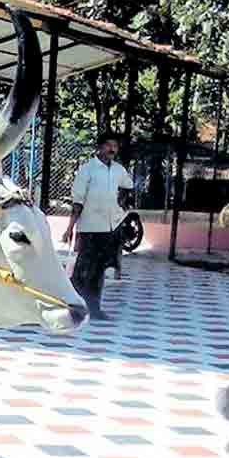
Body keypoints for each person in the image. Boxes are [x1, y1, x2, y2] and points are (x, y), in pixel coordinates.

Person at [62, 135, 133, 320]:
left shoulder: (119, 170)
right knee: (82, 270)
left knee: (99, 270)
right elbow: (77, 201)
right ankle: (74, 307)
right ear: (100, 147)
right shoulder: (87, 170)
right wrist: (70, 227)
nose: (112, 149)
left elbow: (128, 189)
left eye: (115, 146)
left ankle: (94, 308)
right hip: (90, 226)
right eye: (108, 145)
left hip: (111, 227)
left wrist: (122, 207)